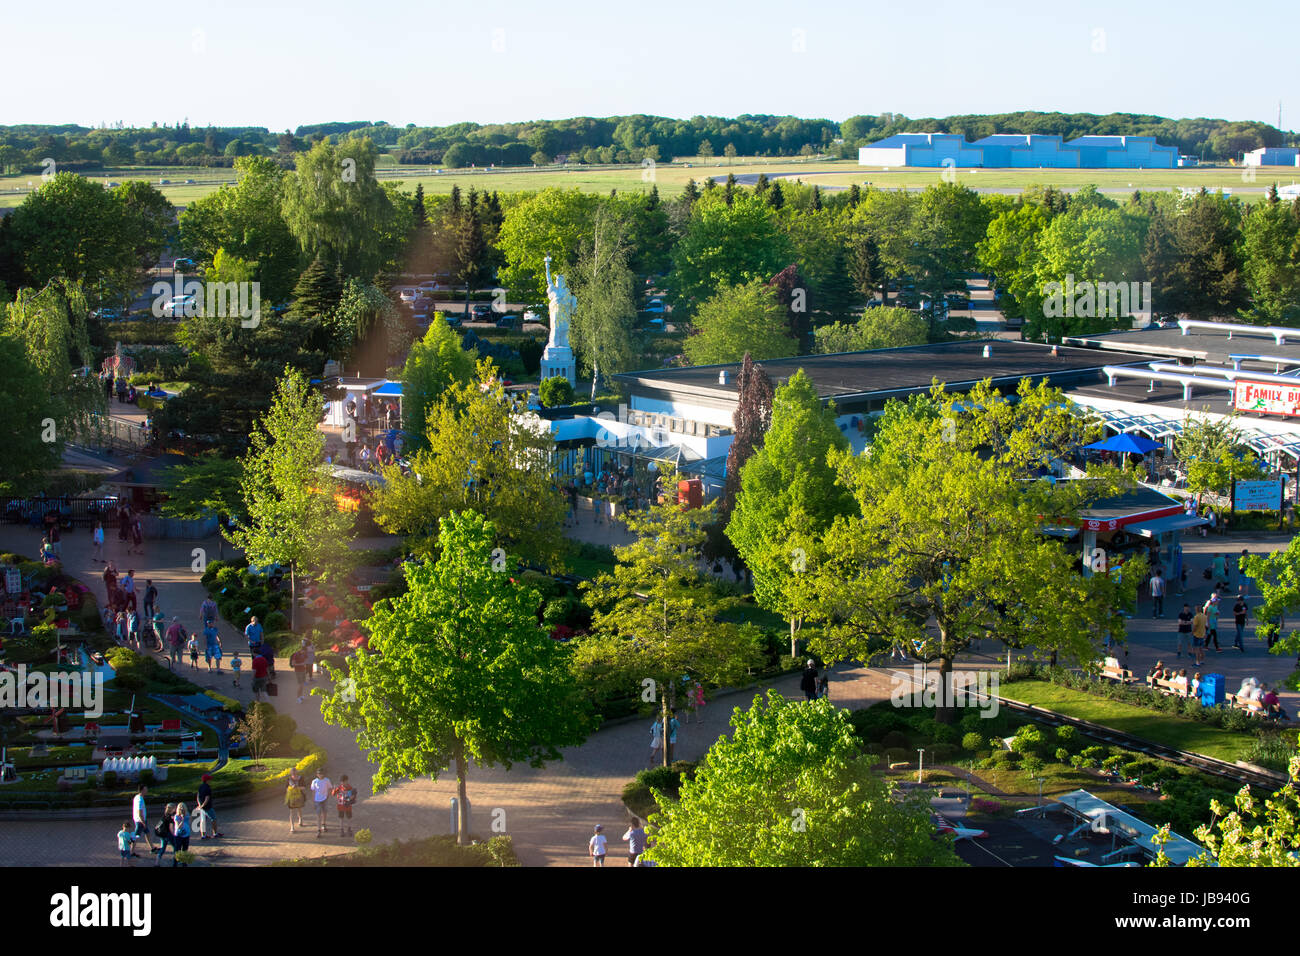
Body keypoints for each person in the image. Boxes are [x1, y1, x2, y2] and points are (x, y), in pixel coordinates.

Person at [195, 773, 221, 839]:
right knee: (213, 819)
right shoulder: (208, 788)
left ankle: (203, 835)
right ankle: (215, 833)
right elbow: (207, 798)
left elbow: (198, 796)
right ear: (207, 780)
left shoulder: (200, 786)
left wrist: (199, 805)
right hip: (207, 807)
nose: (210, 781)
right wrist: (203, 805)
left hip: (202, 807)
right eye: (209, 779)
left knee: (203, 820)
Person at [310, 768, 333, 837]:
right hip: (317, 799)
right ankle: (319, 829)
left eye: (321, 773)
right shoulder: (314, 781)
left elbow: (330, 788)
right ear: (317, 774)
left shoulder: (327, 780)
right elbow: (313, 791)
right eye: (319, 774)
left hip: (324, 799)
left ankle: (324, 824)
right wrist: (313, 800)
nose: (320, 775)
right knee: (318, 814)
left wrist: (327, 796)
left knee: (324, 812)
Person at [132, 784, 154, 853]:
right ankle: (131, 851)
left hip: (140, 820)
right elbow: (140, 812)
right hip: (140, 821)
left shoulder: (137, 797)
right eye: (146, 789)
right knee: (136, 836)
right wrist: (143, 822)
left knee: (147, 833)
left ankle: (152, 848)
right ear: (142, 790)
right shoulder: (140, 800)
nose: (147, 791)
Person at [154, 802, 175, 866]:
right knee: (175, 846)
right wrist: (174, 834)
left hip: (162, 834)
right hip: (167, 834)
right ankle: (177, 860)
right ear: (172, 809)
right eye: (174, 808)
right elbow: (171, 828)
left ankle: (157, 863)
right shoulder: (170, 818)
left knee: (162, 848)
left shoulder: (164, 815)